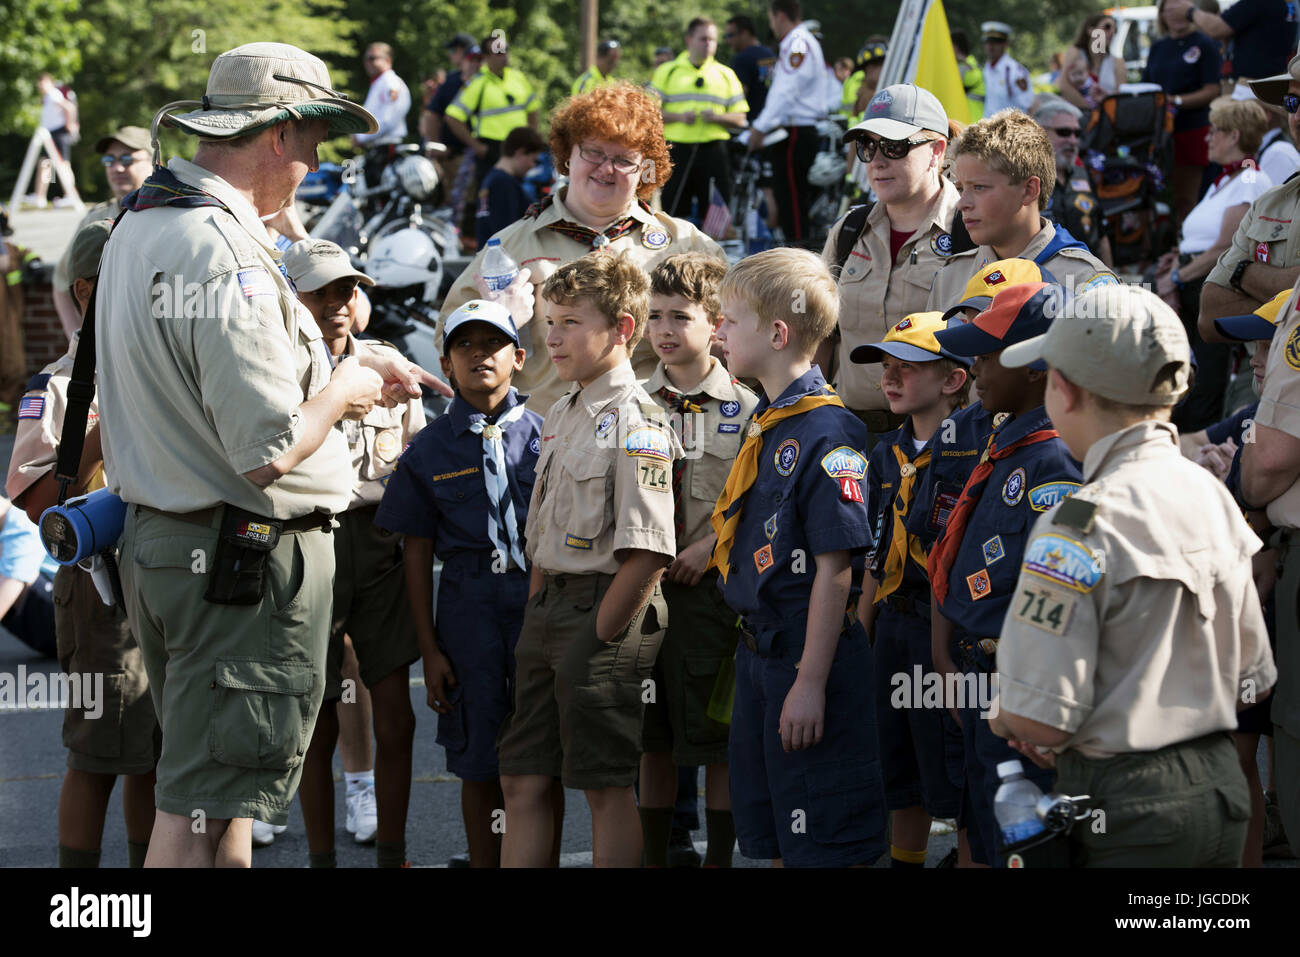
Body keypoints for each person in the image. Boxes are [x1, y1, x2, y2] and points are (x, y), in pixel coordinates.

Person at [95, 42, 437, 868]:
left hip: (175, 548)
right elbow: (270, 447)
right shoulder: (225, 250)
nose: (315, 161)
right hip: (237, 563)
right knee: (193, 808)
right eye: (314, 138)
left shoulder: (142, 225)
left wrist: (353, 368)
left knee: (220, 799)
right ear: (277, 135)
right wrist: (352, 382)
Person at [992, 284, 1276, 866]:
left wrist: (1012, 717)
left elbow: (1036, 716)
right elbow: (1255, 680)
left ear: (1064, 391)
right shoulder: (1212, 493)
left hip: (1129, 807)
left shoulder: (1076, 523)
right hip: (1221, 791)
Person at [496, 253, 681, 868]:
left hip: (603, 610)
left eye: (571, 322)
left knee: (603, 784)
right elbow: (545, 529)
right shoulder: (565, 411)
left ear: (624, 329)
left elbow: (649, 551)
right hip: (549, 608)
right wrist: (536, 612)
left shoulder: (638, 421)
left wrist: (595, 641)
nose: (552, 336)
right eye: (550, 320)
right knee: (521, 778)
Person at [709, 246, 884, 867]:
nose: (717, 331)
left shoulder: (825, 430)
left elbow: (836, 568)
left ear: (778, 333)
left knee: (825, 838)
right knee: (778, 832)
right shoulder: (773, 421)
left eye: (729, 320)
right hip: (760, 652)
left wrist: (810, 682)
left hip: (805, 658)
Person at [5, 218, 161, 869]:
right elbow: (29, 510)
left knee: (152, 752)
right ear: (90, 288)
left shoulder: (162, 369)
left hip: (164, 575)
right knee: (100, 750)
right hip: (99, 588)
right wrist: (105, 426)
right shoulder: (60, 387)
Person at [378, 299, 545, 868]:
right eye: (465, 346)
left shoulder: (550, 438)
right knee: (478, 757)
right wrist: (430, 649)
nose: (480, 356)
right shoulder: (428, 450)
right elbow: (416, 554)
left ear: (518, 358)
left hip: (535, 600)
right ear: (446, 364)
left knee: (538, 758)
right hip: (469, 607)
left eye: (493, 344)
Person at [440, 82, 724, 413]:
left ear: (645, 168)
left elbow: (739, 338)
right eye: (593, 152)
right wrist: (493, 326)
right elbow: (449, 347)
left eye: (623, 159)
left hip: (655, 446)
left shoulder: (686, 245)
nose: (606, 168)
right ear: (568, 155)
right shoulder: (507, 249)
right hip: (539, 445)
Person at [927, 281, 1084, 866]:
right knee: (987, 829)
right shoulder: (1004, 445)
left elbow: (1060, 603)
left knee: (1028, 846)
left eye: (989, 355)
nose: (975, 368)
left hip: (1020, 683)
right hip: (978, 675)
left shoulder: (1054, 461)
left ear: (1038, 367)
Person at [279, 239, 424, 868]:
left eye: (346, 289)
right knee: (315, 713)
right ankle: (319, 857)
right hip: (309, 538)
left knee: (395, 709)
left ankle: (392, 851)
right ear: (289, 298)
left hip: (381, 542)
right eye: (319, 291)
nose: (336, 304)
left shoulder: (388, 364)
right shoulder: (272, 369)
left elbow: (416, 470)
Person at [637, 252, 758, 868]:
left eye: (679, 316)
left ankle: (718, 861)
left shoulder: (749, 409)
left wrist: (711, 546)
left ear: (716, 323)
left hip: (711, 598)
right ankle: (655, 857)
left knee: (719, 740)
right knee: (650, 739)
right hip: (640, 595)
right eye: (654, 316)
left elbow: (761, 502)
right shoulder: (630, 405)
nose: (662, 329)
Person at [850, 312, 970, 868]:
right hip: (893, 623)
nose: (891, 379)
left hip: (942, 626)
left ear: (953, 380)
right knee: (897, 764)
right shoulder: (883, 453)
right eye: (886, 368)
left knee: (951, 762)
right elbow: (875, 553)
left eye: (908, 368)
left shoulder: (973, 451)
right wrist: (861, 640)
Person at [825, 85, 962, 443]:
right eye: (867, 146)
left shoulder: (972, 231)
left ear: (937, 151)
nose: (878, 161)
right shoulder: (849, 231)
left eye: (895, 146)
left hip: (941, 439)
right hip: (851, 433)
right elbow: (822, 336)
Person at [1157, 96, 1273, 431]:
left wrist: (1177, 276)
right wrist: (1176, 257)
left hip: (1206, 289)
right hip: (1192, 285)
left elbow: (1225, 246)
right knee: (1184, 376)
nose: (1207, 138)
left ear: (1234, 136)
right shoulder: (1227, 180)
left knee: (1203, 383)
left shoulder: (1250, 179)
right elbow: (1203, 238)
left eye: (1214, 131)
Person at [929, 110, 1116, 311]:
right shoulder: (949, 279)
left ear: (1029, 190)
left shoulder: (1085, 283)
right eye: (960, 189)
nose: (962, 203)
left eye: (979, 187)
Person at [1200, 54, 1300, 342]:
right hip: (1266, 382)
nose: (1298, 115)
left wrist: (1244, 274)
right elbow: (1210, 315)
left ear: (1233, 136)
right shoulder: (1270, 202)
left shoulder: (1257, 173)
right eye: (1292, 103)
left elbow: (1219, 248)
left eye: (1215, 131)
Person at [51, 126, 152, 339]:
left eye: (126, 160)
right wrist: (79, 341)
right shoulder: (94, 219)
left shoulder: (170, 216)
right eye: (110, 160)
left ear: (155, 162)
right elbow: (61, 282)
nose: (117, 168)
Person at [652, 18, 749, 222]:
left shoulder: (726, 74)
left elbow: (741, 118)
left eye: (712, 40)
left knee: (716, 216)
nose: (708, 44)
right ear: (689, 39)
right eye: (703, 39)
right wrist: (679, 117)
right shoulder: (667, 72)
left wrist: (717, 117)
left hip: (714, 151)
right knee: (673, 214)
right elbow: (648, 113)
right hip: (676, 150)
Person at [749, 0, 828, 247]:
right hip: (795, 128)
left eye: (772, 20)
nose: (772, 26)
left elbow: (785, 91)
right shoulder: (799, 42)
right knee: (791, 200)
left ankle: (798, 253)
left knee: (791, 200)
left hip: (795, 130)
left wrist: (760, 126)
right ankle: (798, 250)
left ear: (779, 15)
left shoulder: (797, 42)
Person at [1144, 0, 1224, 225]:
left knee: (1189, 196)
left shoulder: (1205, 44)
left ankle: (1190, 246)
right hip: (1160, 133)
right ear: (1161, 15)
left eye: (1179, 7)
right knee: (1161, 195)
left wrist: (1175, 101)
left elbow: (1212, 89)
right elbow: (1146, 87)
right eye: (1168, 9)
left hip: (1193, 128)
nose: (1174, 13)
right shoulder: (1157, 47)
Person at [445, 30, 540, 185]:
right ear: (486, 57)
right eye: (498, 52)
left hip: (521, 149)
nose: (504, 55)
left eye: (505, 50)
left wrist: (533, 137)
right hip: (493, 151)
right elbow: (453, 117)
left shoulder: (518, 78)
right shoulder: (477, 83)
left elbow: (533, 110)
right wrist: (478, 147)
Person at [1033, 98, 1113, 266]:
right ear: (1040, 132)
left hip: (1091, 276)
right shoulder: (1025, 180)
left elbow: (1101, 234)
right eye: (1064, 132)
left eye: (1077, 133)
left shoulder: (1082, 174)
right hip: (1047, 280)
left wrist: (1112, 281)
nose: (1073, 140)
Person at [1165, 0, 1297, 84]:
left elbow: (1216, 28)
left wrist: (1189, 11)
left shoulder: (1256, 3)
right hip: (1270, 84)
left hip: (1251, 89)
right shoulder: (1290, 4)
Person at [353, 43, 411, 190]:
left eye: (373, 58)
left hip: (388, 149)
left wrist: (360, 137)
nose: (367, 62)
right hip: (378, 148)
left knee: (380, 196)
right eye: (366, 58)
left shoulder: (390, 83)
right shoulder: (379, 83)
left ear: (387, 60)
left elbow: (387, 121)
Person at [475, 125, 544, 247]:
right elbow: (508, 232)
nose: (532, 166)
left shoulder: (491, 179)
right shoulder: (504, 183)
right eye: (533, 159)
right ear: (520, 152)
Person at [29, 72, 80, 208]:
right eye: (39, 84)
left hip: (58, 133)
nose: (40, 86)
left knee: (63, 165)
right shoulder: (48, 97)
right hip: (50, 134)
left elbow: (69, 107)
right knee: (46, 164)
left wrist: (69, 124)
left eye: (43, 83)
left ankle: (70, 195)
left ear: (50, 82)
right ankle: (40, 197)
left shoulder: (53, 93)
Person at [1057, 13, 1125, 113]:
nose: (1112, 32)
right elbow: (1063, 85)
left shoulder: (1118, 62)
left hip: (1108, 119)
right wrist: (1091, 112)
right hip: (1078, 118)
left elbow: (1121, 94)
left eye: (1115, 29)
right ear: (1090, 30)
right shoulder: (1075, 52)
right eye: (1107, 27)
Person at [1235, 82, 1300, 184]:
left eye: (1242, 114)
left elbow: (1258, 198)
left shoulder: (1278, 152)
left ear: (1265, 116)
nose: (1234, 121)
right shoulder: (1268, 150)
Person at [724, 14, 775, 124]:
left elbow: (739, 96)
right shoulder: (769, 54)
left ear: (745, 33)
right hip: (771, 122)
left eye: (730, 35)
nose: (728, 41)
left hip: (751, 126)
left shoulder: (742, 58)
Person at [980, 22, 1034, 117]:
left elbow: (1026, 106)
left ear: (1005, 44)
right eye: (988, 42)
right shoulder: (986, 69)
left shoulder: (1015, 72)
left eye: (996, 42)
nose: (991, 47)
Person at [952, 30, 985, 124]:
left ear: (955, 47)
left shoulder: (966, 67)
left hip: (970, 122)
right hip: (972, 120)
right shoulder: (972, 63)